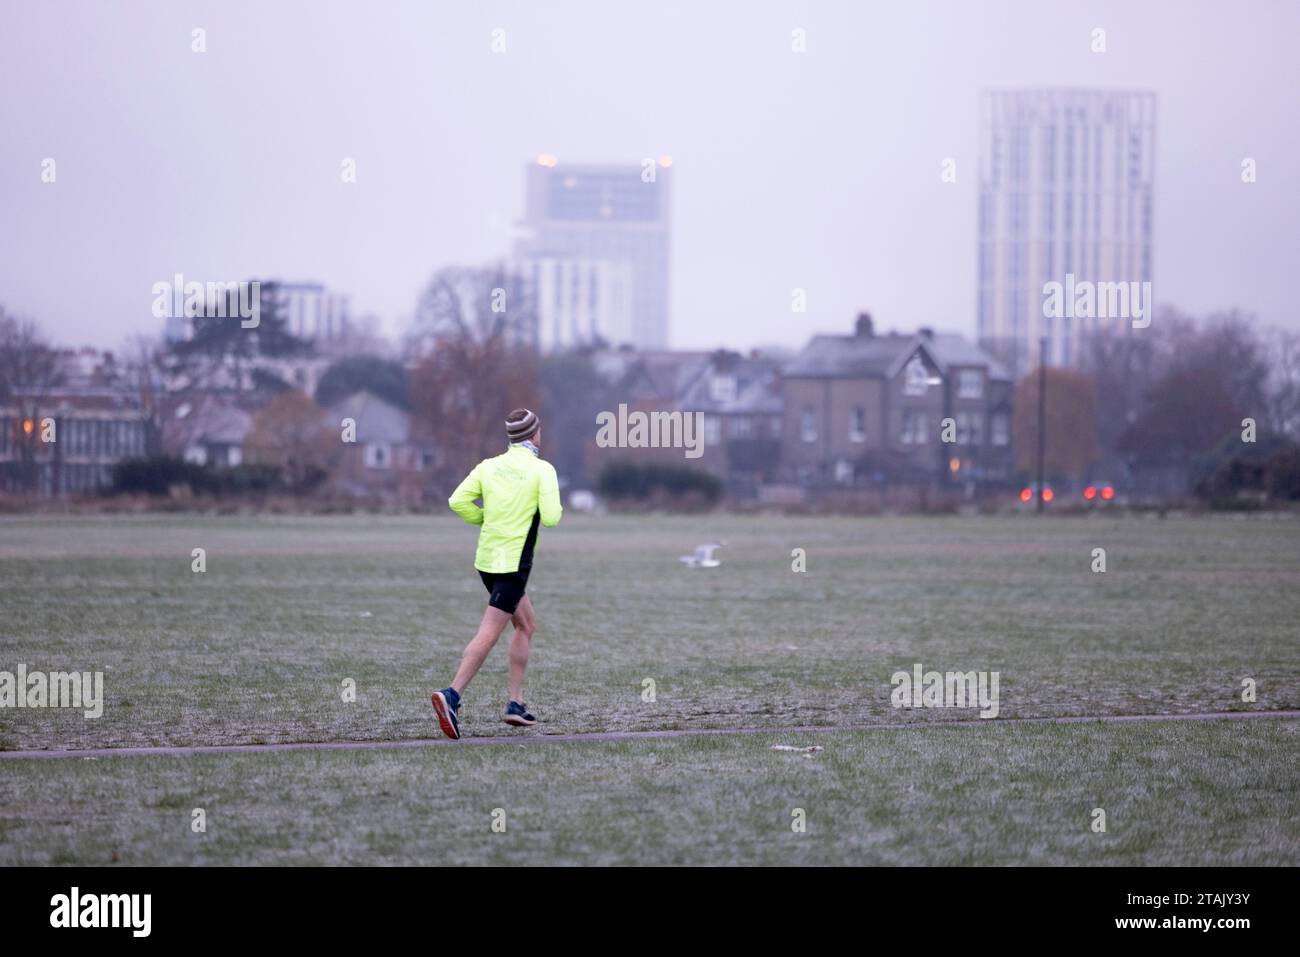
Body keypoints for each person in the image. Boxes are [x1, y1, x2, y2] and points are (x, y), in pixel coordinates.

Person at [431, 408, 562, 739]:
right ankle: (452, 695)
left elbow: (457, 501)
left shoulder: (488, 466)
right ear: (534, 435)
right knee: (490, 632)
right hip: (513, 564)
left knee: (527, 624)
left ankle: (515, 703)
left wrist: (486, 519)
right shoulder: (542, 470)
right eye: (540, 431)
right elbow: (551, 517)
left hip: (486, 561)